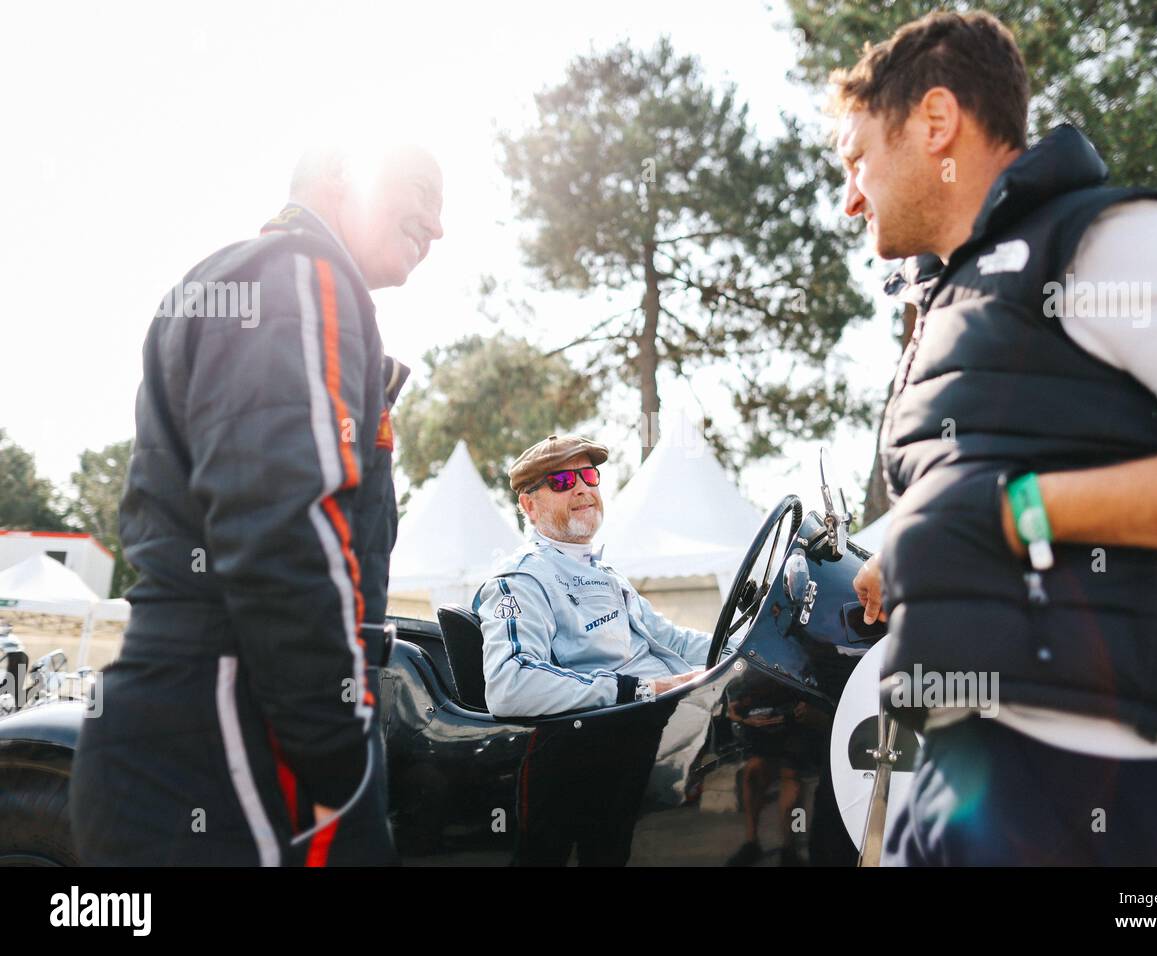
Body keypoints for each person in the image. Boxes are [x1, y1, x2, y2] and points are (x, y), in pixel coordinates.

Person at [833, 10, 1157, 864]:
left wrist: (1028, 511)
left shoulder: (1108, 243)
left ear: (935, 121)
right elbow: (1021, 466)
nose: (850, 196)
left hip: (1126, 803)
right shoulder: (956, 301)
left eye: (857, 158)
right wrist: (914, 542)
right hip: (962, 786)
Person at [70, 144, 443, 866]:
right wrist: (338, 763)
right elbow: (282, 533)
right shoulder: (297, 276)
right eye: (424, 190)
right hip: (235, 736)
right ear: (344, 172)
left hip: (206, 726)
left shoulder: (266, 281)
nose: (439, 224)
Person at [474, 434, 710, 718]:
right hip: (633, 730)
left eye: (588, 475)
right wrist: (643, 689)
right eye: (562, 481)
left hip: (685, 712)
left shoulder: (604, 572)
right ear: (529, 506)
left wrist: (745, 648)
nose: (583, 488)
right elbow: (510, 684)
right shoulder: (521, 578)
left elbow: (674, 642)